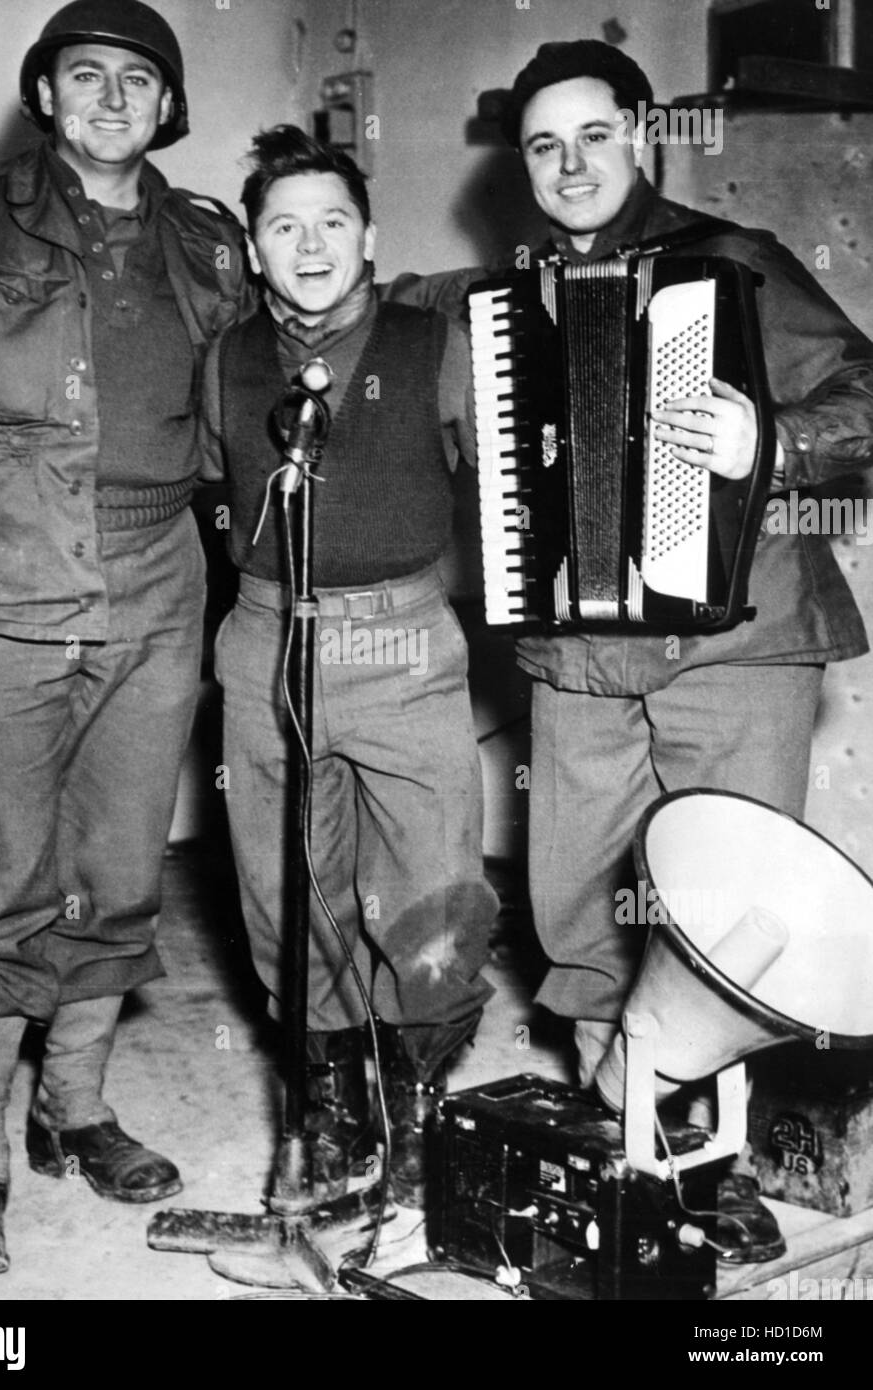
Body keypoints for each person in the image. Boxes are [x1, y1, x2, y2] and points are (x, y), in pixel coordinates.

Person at [459, 40, 873, 1262]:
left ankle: (719, 1159)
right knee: (577, 898)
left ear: (640, 133)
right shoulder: (519, 295)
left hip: (740, 636)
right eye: (544, 145)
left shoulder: (730, 263)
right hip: (580, 647)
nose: (570, 164)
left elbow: (867, 391)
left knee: (733, 911)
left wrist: (774, 441)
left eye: (594, 135)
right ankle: (627, 1127)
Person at [0, 0, 247, 1280]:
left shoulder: (211, 242)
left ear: (167, 105)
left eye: (137, 79)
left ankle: (72, 1108)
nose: (109, 97)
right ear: (43, 93)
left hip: (159, 582)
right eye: (82, 74)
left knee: (122, 872)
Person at [203, 125, 497, 1207]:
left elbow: (515, 490)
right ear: (253, 244)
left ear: (370, 235)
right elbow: (198, 490)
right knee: (288, 894)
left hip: (405, 640)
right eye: (284, 224)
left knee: (430, 893)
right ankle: (330, 1112)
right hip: (265, 637)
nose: (311, 243)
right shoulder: (225, 356)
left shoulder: (438, 343)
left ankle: (417, 1119)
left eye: (333, 220)